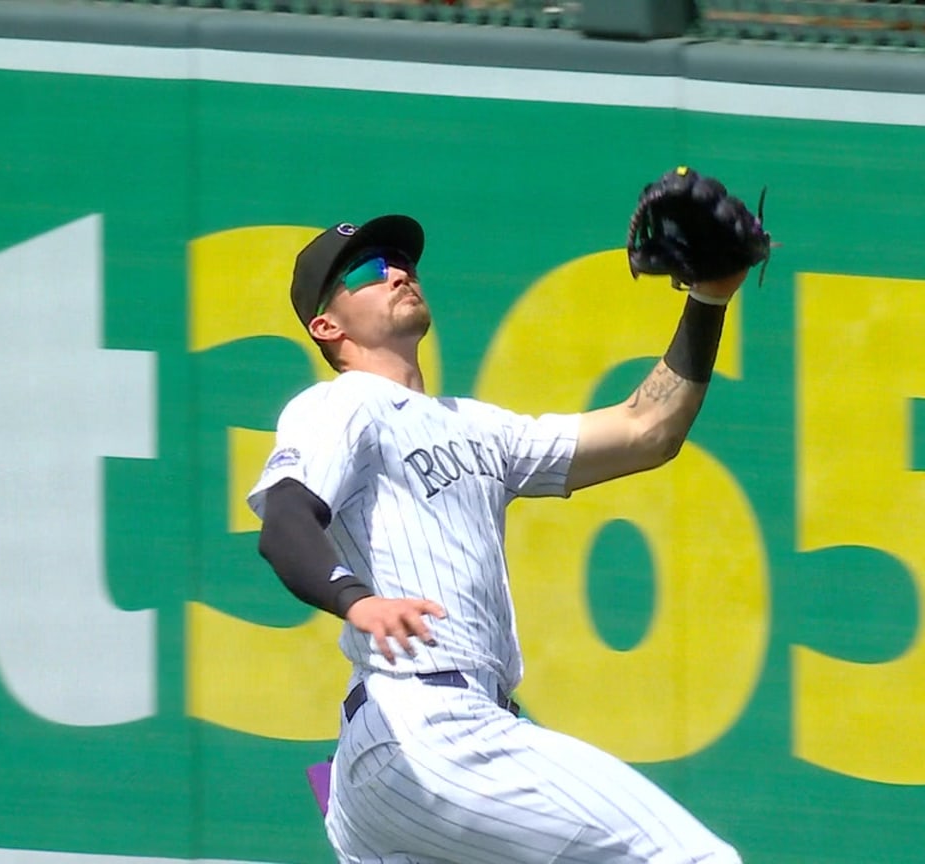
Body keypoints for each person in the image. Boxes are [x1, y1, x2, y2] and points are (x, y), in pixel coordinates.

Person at [249, 214, 745, 864]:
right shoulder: (343, 404)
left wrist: (708, 298)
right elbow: (285, 516)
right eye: (368, 272)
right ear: (326, 325)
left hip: (399, 764)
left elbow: (647, 429)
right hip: (426, 726)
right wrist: (355, 600)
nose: (397, 272)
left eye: (403, 262)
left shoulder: (477, 428)